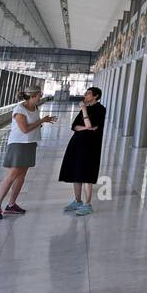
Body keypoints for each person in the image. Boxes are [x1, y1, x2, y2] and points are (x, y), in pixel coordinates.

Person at [0, 87, 56, 219]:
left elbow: (33, 126)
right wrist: (41, 121)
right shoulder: (20, 110)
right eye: (39, 95)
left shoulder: (35, 108)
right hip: (18, 145)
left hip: (30, 144)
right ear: (33, 96)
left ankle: (11, 204)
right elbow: (24, 129)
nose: (40, 97)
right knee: (11, 176)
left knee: (21, 176)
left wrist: (41, 122)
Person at [59, 87, 105, 216]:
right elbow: (75, 126)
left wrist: (84, 111)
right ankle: (77, 200)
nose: (85, 95)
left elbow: (91, 126)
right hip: (77, 143)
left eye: (88, 94)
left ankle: (88, 204)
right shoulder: (86, 109)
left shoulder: (100, 109)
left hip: (91, 146)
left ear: (95, 96)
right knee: (76, 172)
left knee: (87, 174)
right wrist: (86, 127)